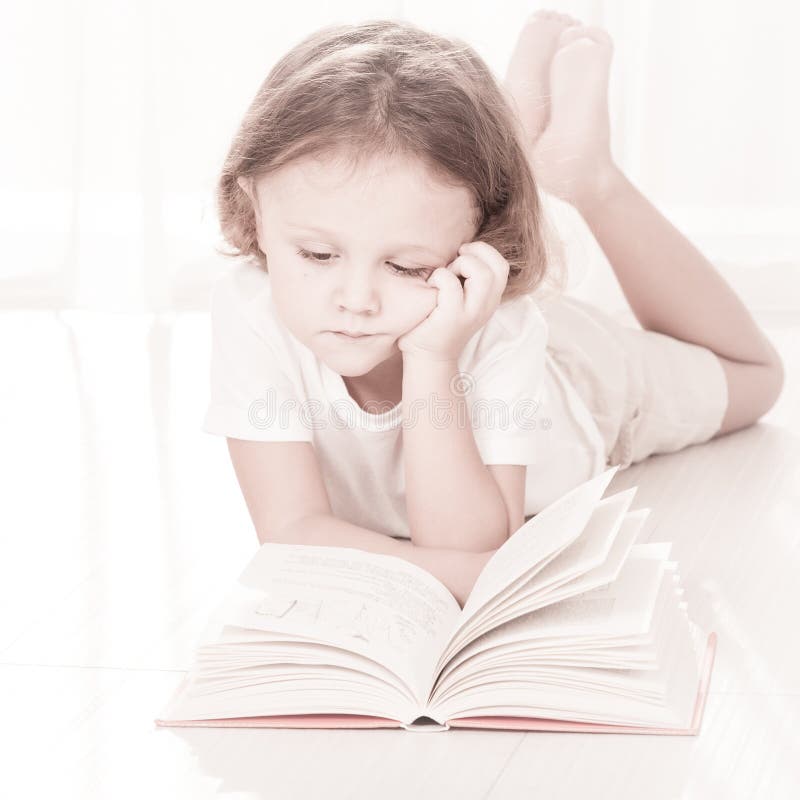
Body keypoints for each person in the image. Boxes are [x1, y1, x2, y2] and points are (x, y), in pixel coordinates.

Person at [204, 12, 784, 607]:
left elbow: (471, 545)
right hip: (462, 306)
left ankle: (588, 177)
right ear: (255, 210)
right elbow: (292, 534)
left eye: (405, 265)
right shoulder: (250, 306)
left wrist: (433, 359)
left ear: (479, 244)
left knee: (757, 377)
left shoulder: (507, 329)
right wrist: (480, 576)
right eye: (318, 254)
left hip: (577, 380)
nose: (356, 300)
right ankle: (515, 137)